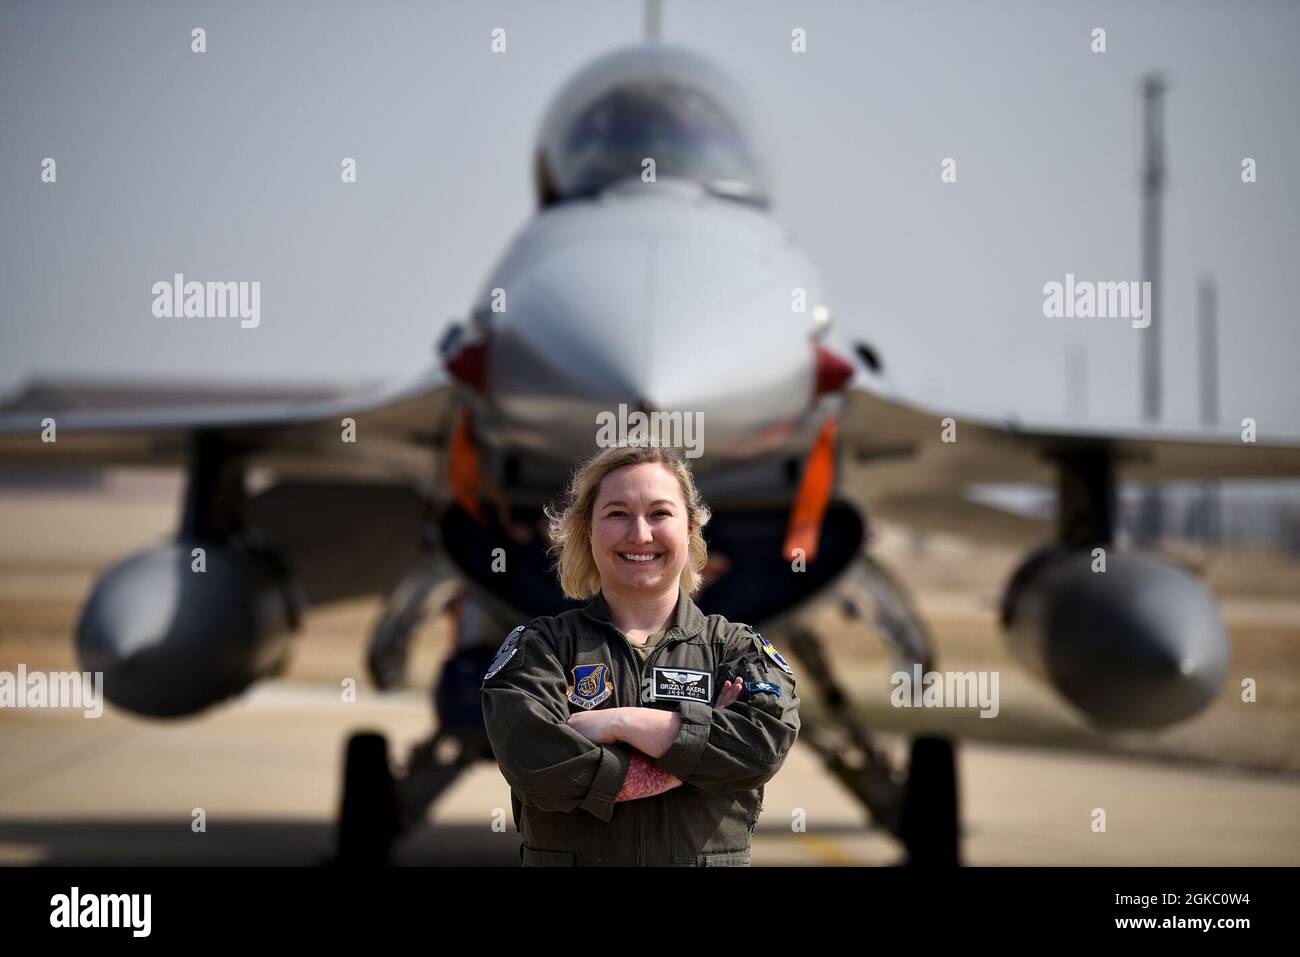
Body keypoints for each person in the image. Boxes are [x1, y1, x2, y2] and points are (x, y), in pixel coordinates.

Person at [481, 443, 800, 866]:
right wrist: (695, 752)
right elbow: (536, 768)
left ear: (689, 530)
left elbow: (760, 747)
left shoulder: (737, 650)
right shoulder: (541, 650)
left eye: (660, 513)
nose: (640, 534)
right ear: (587, 531)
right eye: (617, 514)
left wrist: (619, 722)